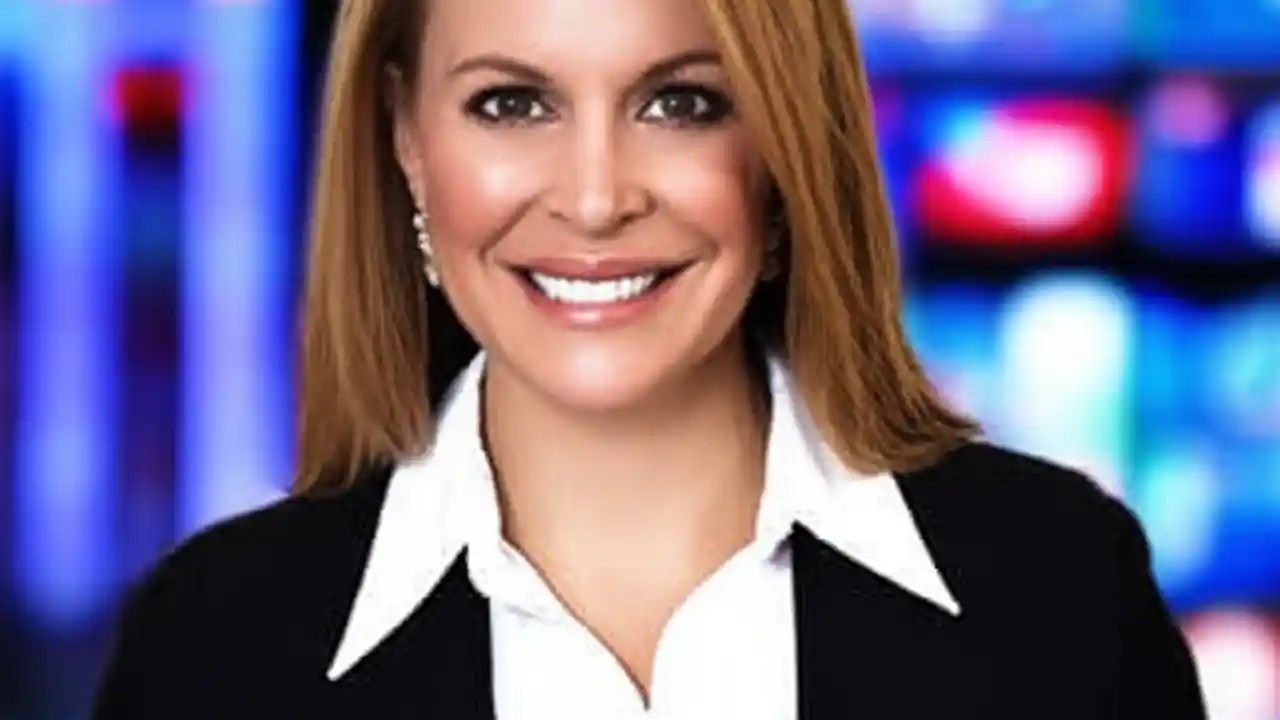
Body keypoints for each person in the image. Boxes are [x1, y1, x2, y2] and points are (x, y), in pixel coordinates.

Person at [91, 0, 1208, 717]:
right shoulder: (213, 649)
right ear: (405, 141)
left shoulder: (1059, 592)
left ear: (782, 147)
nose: (592, 196)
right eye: (510, 102)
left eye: (679, 102)